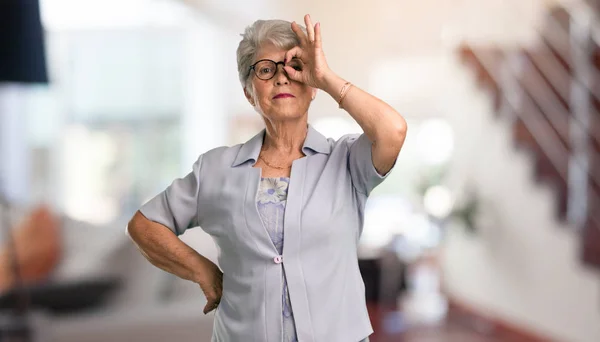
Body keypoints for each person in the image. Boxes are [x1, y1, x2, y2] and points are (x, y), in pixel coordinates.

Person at [127, 14, 407, 342]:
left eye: (293, 67)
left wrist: (326, 77)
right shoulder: (215, 169)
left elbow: (393, 130)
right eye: (265, 69)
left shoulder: (346, 161)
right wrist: (203, 272)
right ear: (249, 93)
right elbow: (145, 225)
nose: (281, 78)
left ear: (312, 87)